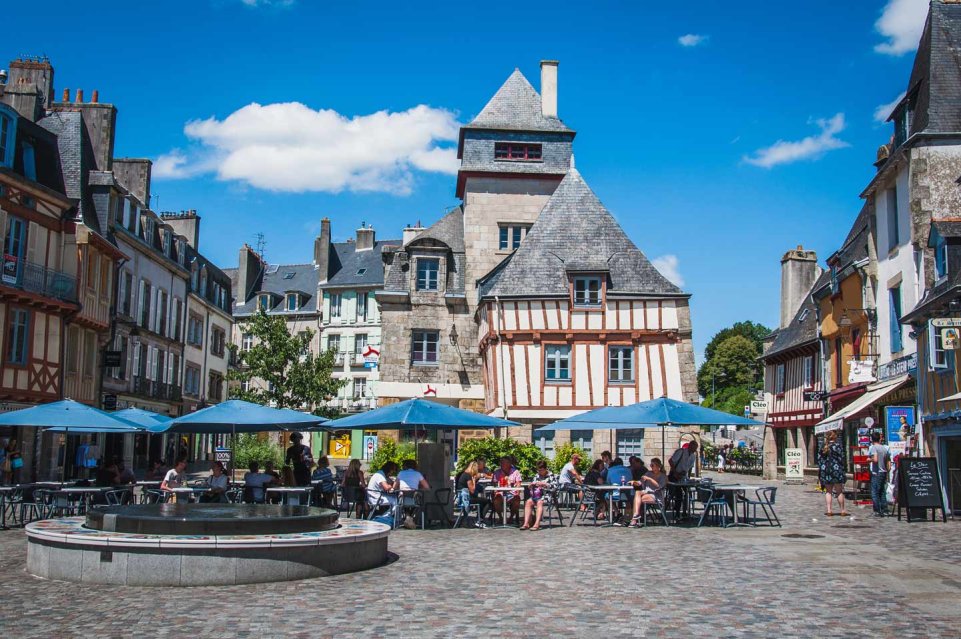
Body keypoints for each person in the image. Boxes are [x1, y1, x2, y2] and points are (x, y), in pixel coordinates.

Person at [817, 430, 848, 517]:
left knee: (828, 491)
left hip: (826, 470)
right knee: (839, 491)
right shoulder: (837, 446)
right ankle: (842, 510)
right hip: (836, 470)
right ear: (835, 437)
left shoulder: (823, 446)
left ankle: (829, 510)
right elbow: (842, 458)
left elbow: (819, 459)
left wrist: (821, 469)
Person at [630, 458, 668, 528]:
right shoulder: (648, 473)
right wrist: (634, 482)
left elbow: (659, 486)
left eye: (652, 465)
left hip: (656, 496)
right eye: (651, 465)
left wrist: (649, 479)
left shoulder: (663, 476)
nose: (651, 467)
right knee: (637, 492)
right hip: (646, 493)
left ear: (658, 466)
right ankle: (636, 514)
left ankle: (634, 520)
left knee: (637, 500)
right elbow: (640, 482)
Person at [522, 461, 557, 531]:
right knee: (528, 502)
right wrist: (531, 485)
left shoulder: (551, 476)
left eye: (541, 470)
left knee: (539, 502)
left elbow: (555, 487)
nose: (539, 472)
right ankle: (526, 523)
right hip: (537, 494)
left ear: (546, 469)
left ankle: (537, 524)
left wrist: (545, 484)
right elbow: (532, 485)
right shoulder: (537, 475)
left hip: (547, 495)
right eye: (538, 470)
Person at [455, 461, 490, 527]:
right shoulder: (468, 476)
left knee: (482, 500)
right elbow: (472, 491)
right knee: (487, 502)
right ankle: (479, 520)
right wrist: (473, 481)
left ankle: (479, 519)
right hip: (466, 498)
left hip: (462, 497)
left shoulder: (464, 474)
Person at [491, 456, 523, 525]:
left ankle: (511, 518)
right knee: (496, 499)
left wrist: (517, 493)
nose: (502, 464)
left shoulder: (515, 472)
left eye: (504, 462)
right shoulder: (497, 472)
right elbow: (494, 484)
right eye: (501, 462)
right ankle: (501, 517)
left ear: (509, 463)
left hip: (512, 493)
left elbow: (518, 484)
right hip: (500, 492)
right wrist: (496, 490)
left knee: (517, 499)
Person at [868, 432, 890, 517]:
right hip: (883, 471)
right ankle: (885, 510)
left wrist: (869, 459)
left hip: (876, 472)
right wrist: (887, 469)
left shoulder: (874, 447)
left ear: (872, 439)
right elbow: (887, 460)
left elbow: (875, 459)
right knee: (882, 491)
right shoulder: (884, 448)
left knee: (875, 492)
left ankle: (877, 510)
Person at [605, 457, 633, 522]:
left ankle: (617, 512)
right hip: (628, 494)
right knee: (629, 501)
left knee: (607, 497)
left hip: (615, 494)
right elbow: (631, 479)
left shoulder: (610, 470)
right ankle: (627, 517)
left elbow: (608, 482)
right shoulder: (628, 470)